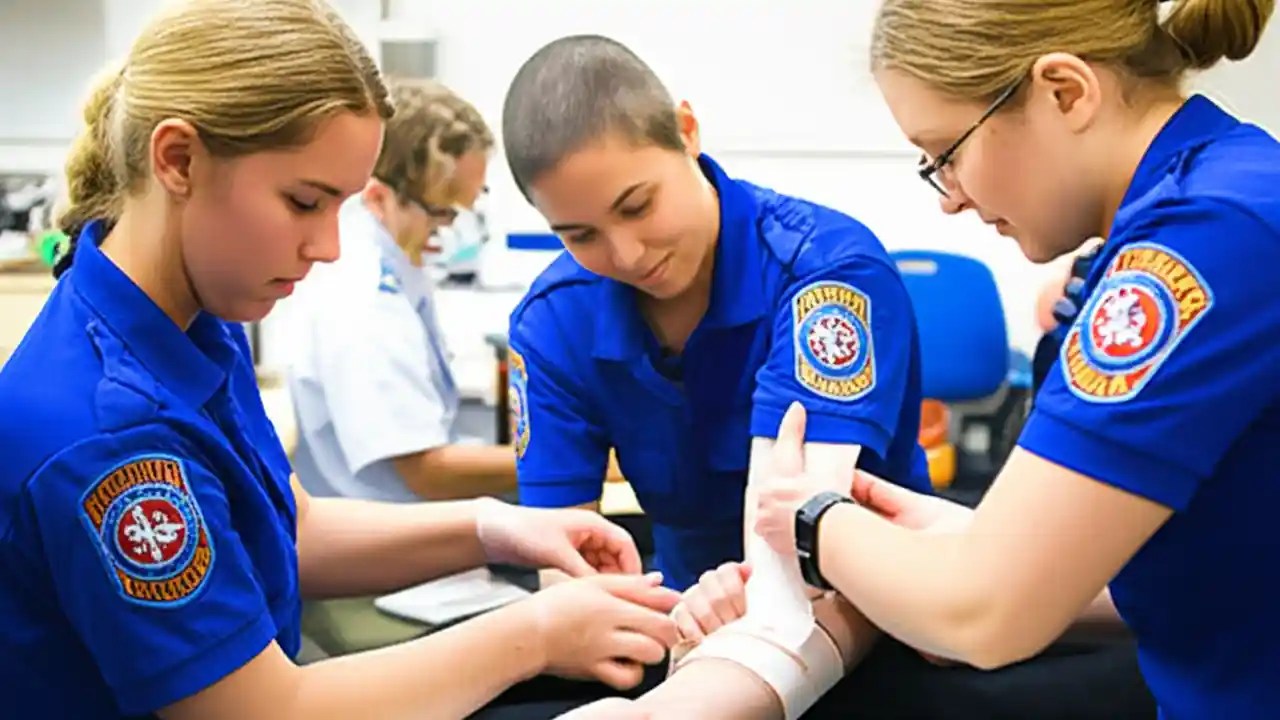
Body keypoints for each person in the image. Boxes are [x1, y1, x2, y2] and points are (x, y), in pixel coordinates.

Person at [0, 3, 681, 718]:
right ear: (177, 160)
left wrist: (495, 526)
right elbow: (262, 711)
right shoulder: (113, 434)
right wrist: (535, 635)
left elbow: (289, 531)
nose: (328, 247)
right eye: (303, 202)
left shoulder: (189, 320)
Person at [750, 1, 1280, 719]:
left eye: (947, 153)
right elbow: (1225, 565)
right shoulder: (1231, 190)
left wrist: (812, 519)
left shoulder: (1200, 240)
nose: (950, 198)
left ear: (1065, 91)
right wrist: (968, 540)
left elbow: (985, 615)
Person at [286, 78, 512, 505]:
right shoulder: (363, 299)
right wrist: (569, 460)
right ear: (378, 198)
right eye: (441, 212)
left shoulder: (396, 266)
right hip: (391, 557)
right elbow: (427, 472)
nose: (449, 232)